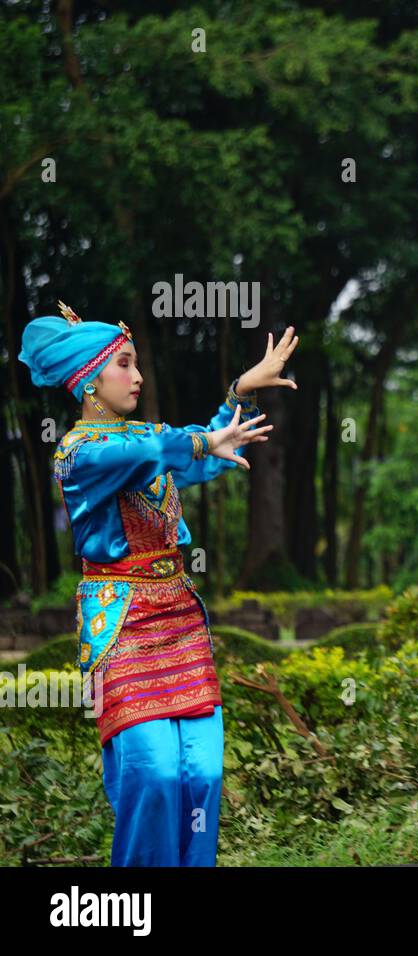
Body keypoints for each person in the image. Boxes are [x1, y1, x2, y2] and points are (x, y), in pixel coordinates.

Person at [18, 302, 297, 866]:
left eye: (137, 363)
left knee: (203, 773)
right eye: (125, 363)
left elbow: (204, 445)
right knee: (156, 772)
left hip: (179, 620)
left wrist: (240, 390)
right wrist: (199, 443)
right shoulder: (79, 453)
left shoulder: (153, 437)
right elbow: (155, 450)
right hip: (120, 624)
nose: (138, 376)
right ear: (90, 380)